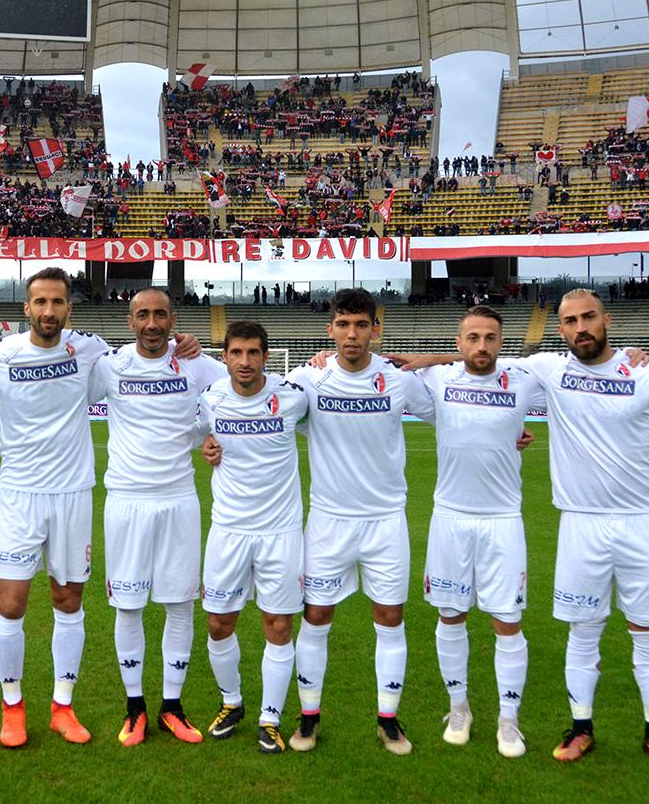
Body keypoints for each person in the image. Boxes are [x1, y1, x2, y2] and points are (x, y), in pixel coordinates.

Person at [0, 268, 199, 747]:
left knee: (68, 600)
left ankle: (63, 706)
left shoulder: (90, 349)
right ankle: (13, 707)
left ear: (68, 308)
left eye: (57, 302)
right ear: (26, 308)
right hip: (19, 495)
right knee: (10, 603)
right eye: (39, 302)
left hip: (73, 493)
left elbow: (145, 350)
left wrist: (182, 344)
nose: (48, 310)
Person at [425, 289, 649, 770]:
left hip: (643, 519)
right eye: (571, 321)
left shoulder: (647, 373)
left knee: (648, 628)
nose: (581, 327)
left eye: (588, 317)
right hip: (579, 521)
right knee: (583, 629)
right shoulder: (550, 368)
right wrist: (429, 359)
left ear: (606, 319)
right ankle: (580, 729)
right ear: (560, 330)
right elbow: (480, 359)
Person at [283, 288, 434, 755]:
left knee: (390, 618)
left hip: (386, 522)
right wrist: (213, 443)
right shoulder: (308, 379)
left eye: (361, 325)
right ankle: (309, 718)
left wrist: (513, 430)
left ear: (375, 329)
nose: (352, 334)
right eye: (344, 325)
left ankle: (388, 719)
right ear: (330, 329)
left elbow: (453, 409)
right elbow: (259, 410)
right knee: (316, 617)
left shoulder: (398, 380)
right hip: (328, 522)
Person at [87, 288, 224, 746]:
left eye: (160, 314)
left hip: (179, 499)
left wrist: (207, 433)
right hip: (126, 501)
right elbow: (59, 385)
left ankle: (172, 706)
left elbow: (246, 383)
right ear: (130, 322)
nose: (151, 323)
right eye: (142, 315)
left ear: (173, 320)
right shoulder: (111, 365)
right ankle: (135, 709)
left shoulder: (195, 363)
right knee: (128, 606)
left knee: (180, 604)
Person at [410, 306, 544, 757]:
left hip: (502, 519)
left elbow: (584, 373)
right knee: (450, 615)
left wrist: (634, 354)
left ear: (502, 342)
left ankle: (509, 719)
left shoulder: (523, 380)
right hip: (450, 517)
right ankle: (459, 707)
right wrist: (320, 359)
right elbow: (382, 365)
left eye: (490, 337)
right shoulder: (439, 379)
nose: (482, 346)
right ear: (458, 342)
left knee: (507, 621)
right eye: (472, 337)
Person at [196, 321, 309, 753]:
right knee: (218, 623)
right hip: (228, 530)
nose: (245, 361)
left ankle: (271, 719)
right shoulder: (211, 399)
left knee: (277, 625)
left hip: (280, 532)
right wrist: (207, 446)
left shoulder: (293, 397)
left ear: (266, 356)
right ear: (224, 356)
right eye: (237, 353)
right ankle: (232, 701)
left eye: (253, 353)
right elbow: (200, 436)